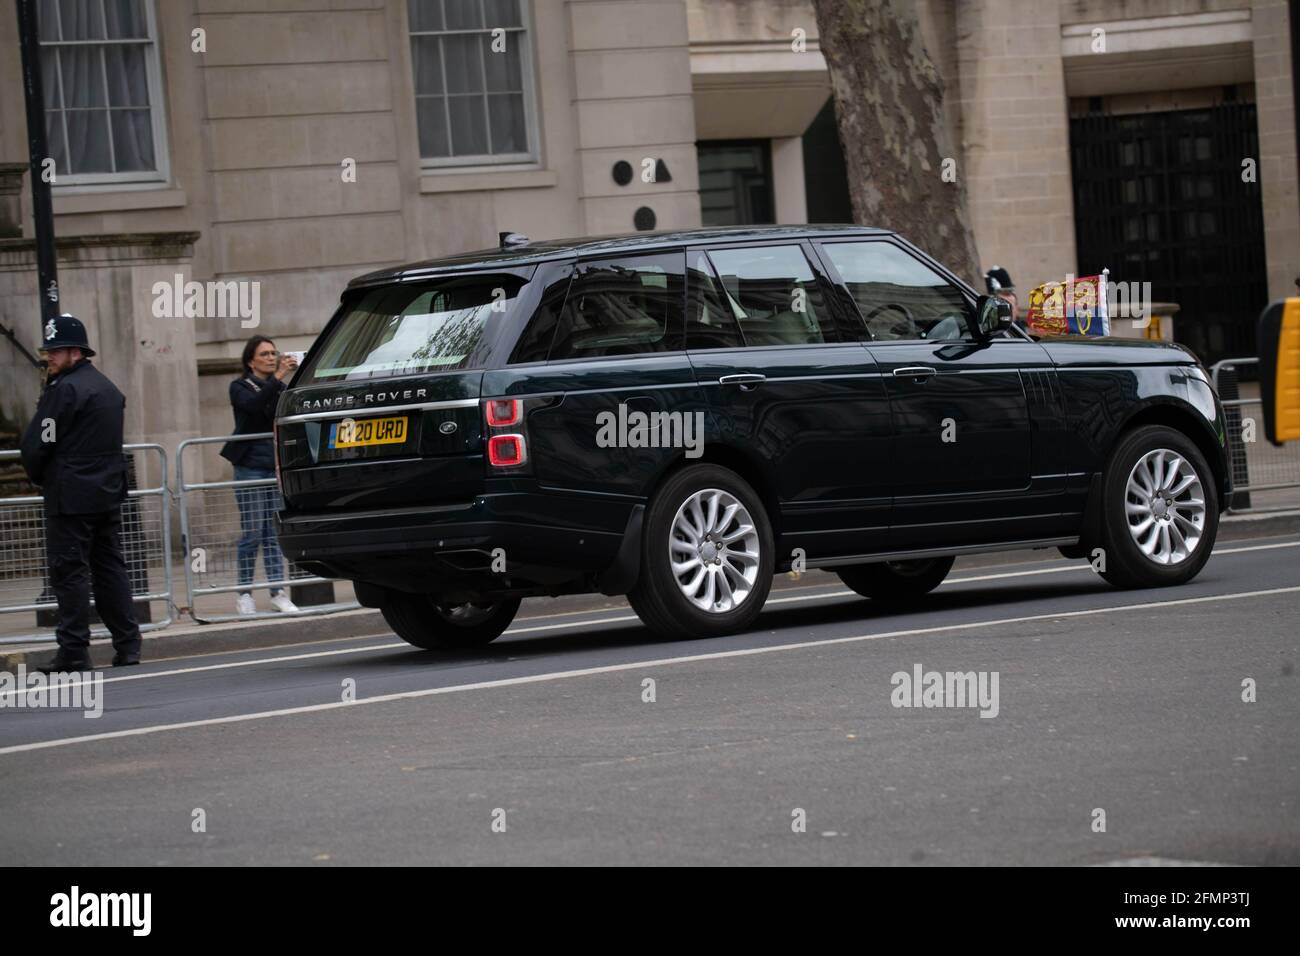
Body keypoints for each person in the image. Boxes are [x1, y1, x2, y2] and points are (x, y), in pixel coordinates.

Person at [20, 314, 143, 672]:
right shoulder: (106, 387)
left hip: (71, 496)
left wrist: (37, 472)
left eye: (56, 351)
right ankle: (128, 644)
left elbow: (39, 442)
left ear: (76, 351)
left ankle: (73, 651)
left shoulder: (62, 391)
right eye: (49, 351)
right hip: (106, 493)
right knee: (109, 570)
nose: (50, 357)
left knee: (70, 572)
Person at [220, 336, 299, 616]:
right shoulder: (240, 386)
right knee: (252, 533)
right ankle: (244, 594)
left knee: (273, 533)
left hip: (274, 465)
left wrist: (288, 378)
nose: (270, 357)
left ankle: (278, 591)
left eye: (273, 353)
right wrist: (277, 377)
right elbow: (254, 408)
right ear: (250, 360)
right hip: (250, 466)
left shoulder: (279, 387)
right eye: (264, 353)